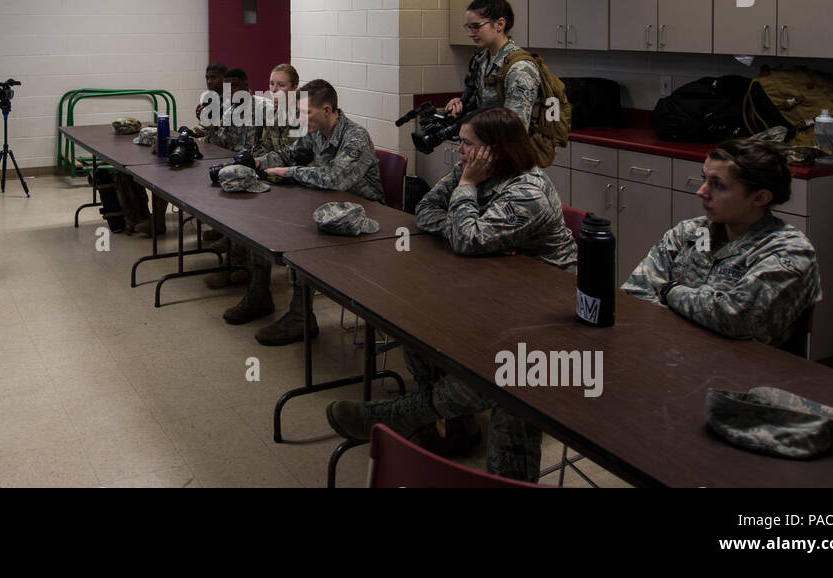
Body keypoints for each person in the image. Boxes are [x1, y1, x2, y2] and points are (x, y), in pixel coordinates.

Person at [325, 107, 574, 482]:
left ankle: (404, 415)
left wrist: (467, 213)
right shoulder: (471, 170)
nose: (458, 150)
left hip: (545, 314)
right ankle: (451, 427)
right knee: (412, 319)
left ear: (495, 151)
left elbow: (468, 238)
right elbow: (424, 209)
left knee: (504, 377)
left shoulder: (528, 193)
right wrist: (464, 225)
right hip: (490, 287)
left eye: (467, 143)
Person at [622, 138, 821, 348]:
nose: (701, 191)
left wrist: (669, 290)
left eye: (718, 185)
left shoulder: (789, 251)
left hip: (746, 373)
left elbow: (735, 317)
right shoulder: (691, 233)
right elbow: (634, 293)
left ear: (760, 197)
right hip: (671, 352)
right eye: (704, 179)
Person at [232, 79, 383, 346]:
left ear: (327, 110)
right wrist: (258, 162)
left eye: (305, 112)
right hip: (327, 207)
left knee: (297, 239)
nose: (300, 118)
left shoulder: (355, 136)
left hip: (360, 217)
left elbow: (334, 179)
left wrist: (289, 173)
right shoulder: (316, 132)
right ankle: (259, 296)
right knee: (264, 225)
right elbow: (292, 154)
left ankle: (301, 316)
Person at [204, 64, 300, 290]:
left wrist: (262, 166)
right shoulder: (273, 112)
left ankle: (247, 275)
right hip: (274, 174)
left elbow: (297, 156)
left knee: (248, 206)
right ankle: (237, 265)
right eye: (271, 85)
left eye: (281, 85)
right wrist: (250, 162)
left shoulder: (301, 114)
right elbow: (264, 147)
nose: (275, 90)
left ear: (294, 88)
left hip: (294, 181)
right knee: (236, 189)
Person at [444, 0, 540, 131]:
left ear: (500, 24)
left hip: (508, 151)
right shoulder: (481, 60)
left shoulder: (520, 68)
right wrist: (461, 104)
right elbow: (481, 105)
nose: (471, 33)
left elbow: (516, 130)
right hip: (484, 144)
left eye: (476, 26)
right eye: (468, 27)